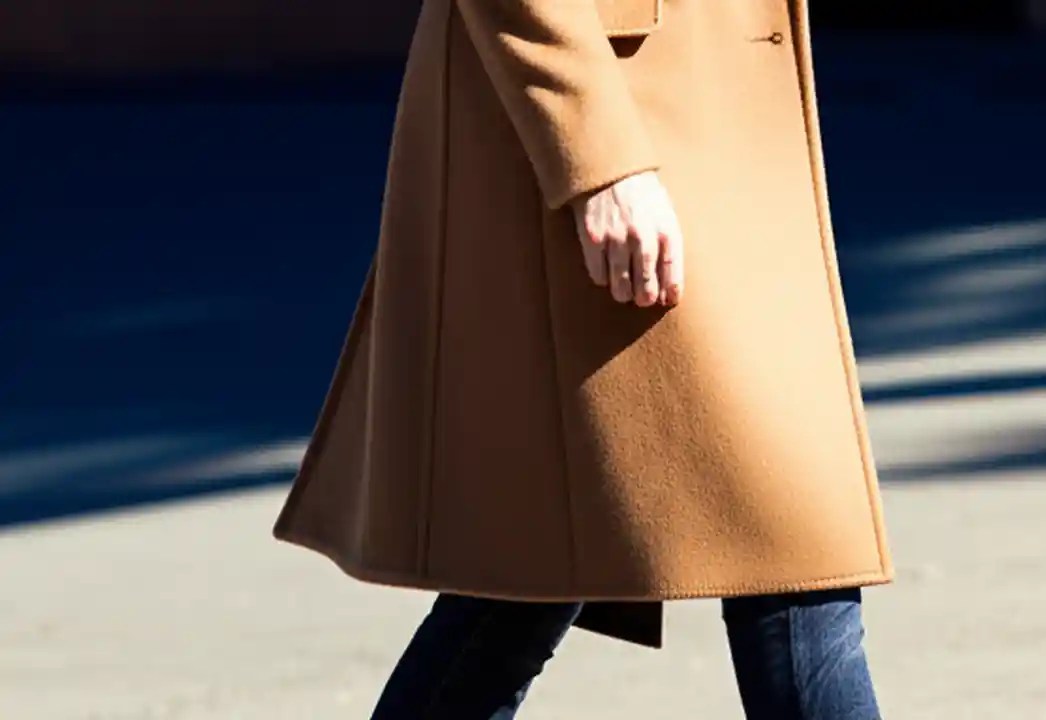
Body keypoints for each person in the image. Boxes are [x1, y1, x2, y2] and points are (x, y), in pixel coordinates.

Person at [272, 0, 894, 717]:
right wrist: (598, 158)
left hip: (714, 117)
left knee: (553, 566)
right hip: (605, 114)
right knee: (761, 546)